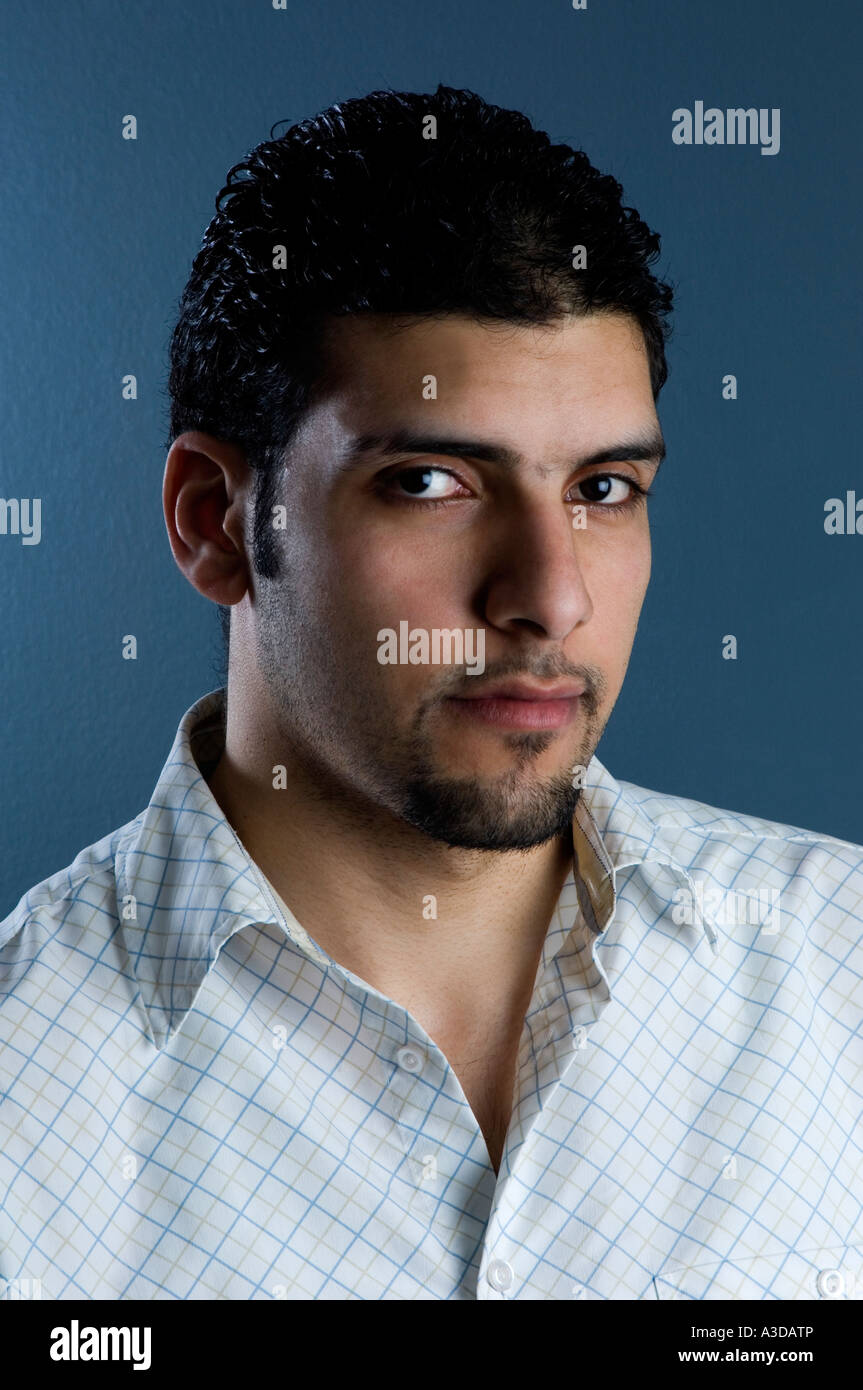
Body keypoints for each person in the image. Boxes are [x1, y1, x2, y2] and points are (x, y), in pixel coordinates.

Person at [1, 84, 861, 1302]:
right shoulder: (20, 1100)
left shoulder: (840, 968)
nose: (549, 596)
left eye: (603, 488)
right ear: (216, 522)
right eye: (431, 482)